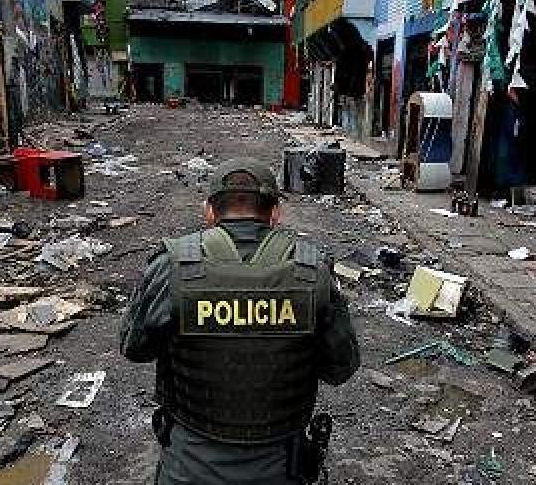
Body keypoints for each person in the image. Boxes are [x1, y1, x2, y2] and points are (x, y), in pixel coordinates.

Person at [120, 158, 360, 485]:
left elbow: (135, 348)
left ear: (208, 211)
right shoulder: (312, 270)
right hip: (280, 467)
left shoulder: (172, 266)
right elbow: (340, 368)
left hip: (189, 466)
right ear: (275, 213)